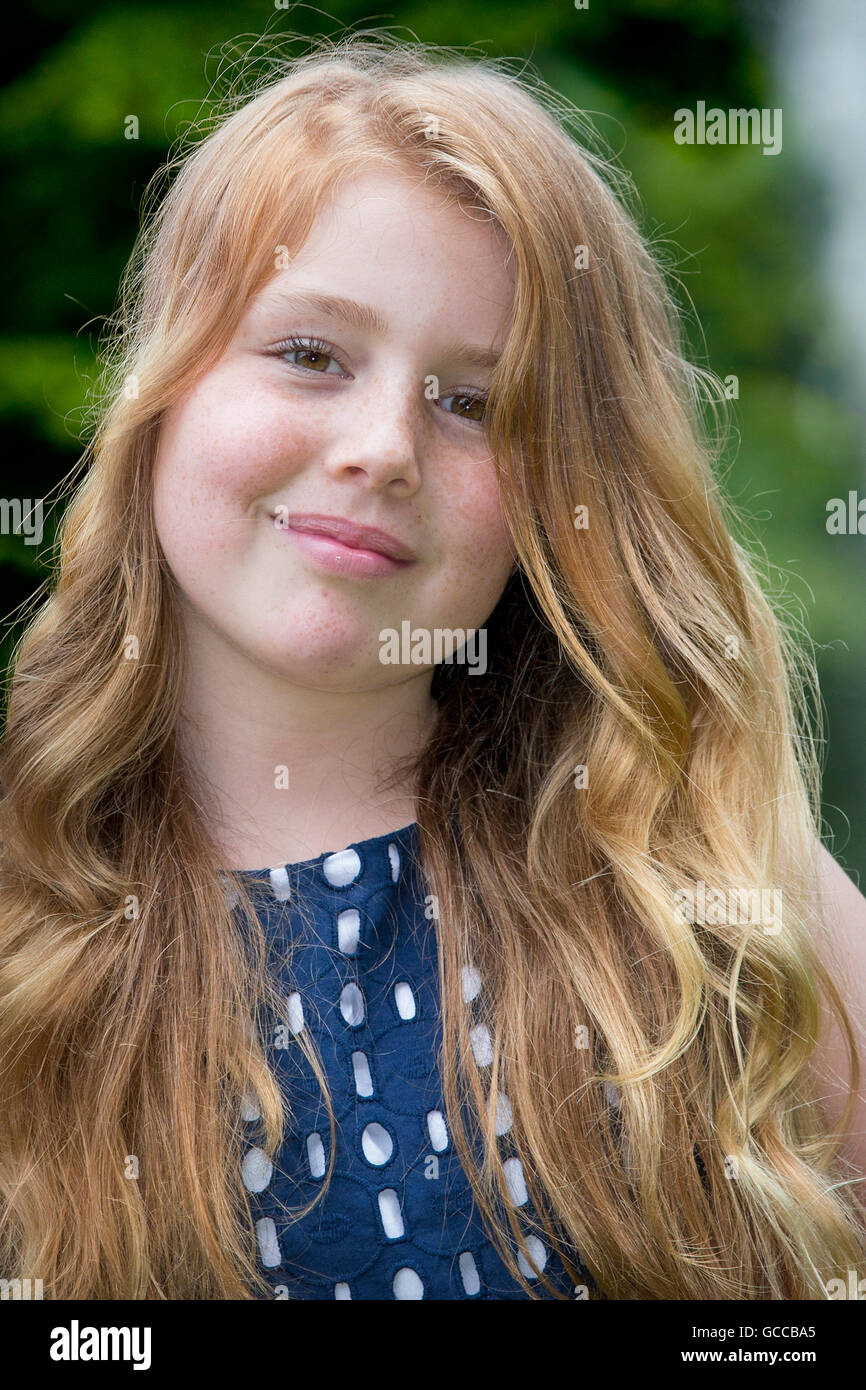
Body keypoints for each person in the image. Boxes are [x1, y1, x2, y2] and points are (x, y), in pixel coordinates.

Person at [0, 32, 864, 1300]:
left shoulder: (693, 874)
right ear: (162, 384)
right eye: (310, 354)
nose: (381, 447)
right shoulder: (25, 918)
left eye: (474, 404)